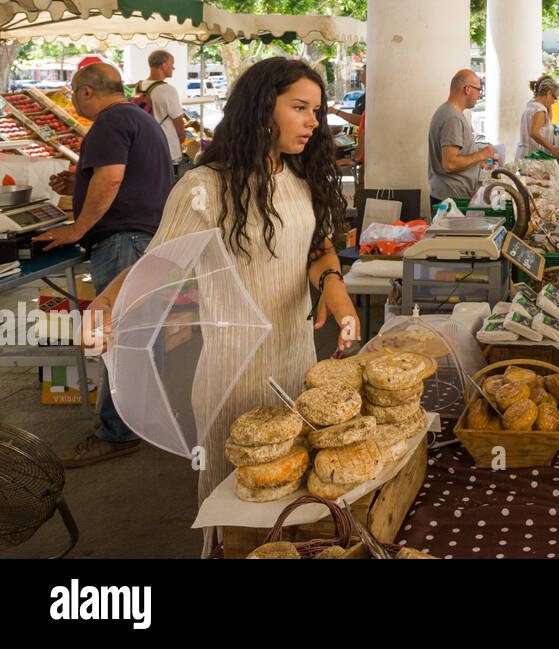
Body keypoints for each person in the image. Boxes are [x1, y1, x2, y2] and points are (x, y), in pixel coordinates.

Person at [84, 57, 360, 553]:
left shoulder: (302, 179)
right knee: (238, 517)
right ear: (259, 109)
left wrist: (334, 286)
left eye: (316, 111)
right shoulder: (204, 188)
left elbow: (318, 249)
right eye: (299, 107)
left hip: (299, 367)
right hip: (233, 376)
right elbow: (160, 265)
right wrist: (107, 300)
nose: (313, 122)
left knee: (294, 507)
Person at [37, 61, 172, 467]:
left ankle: (117, 432)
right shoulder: (138, 118)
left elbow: (111, 179)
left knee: (117, 338)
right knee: (140, 337)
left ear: (86, 91)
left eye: (75, 93)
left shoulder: (109, 122)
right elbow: (112, 177)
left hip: (123, 241)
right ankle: (139, 420)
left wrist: (77, 228)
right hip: (144, 239)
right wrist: (77, 181)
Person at [428, 69, 495, 200]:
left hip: (450, 193)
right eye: (479, 90)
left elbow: (457, 157)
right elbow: (450, 164)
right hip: (451, 197)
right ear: (467, 89)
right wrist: (481, 155)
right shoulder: (452, 118)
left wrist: (476, 162)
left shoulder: (450, 112)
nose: (479, 95)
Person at [138, 49, 188, 178]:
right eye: (172, 64)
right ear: (163, 65)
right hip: (166, 148)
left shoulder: (137, 87)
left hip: (142, 146)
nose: (174, 67)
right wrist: (181, 140)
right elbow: (178, 122)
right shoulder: (168, 90)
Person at [517, 75, 559, 161]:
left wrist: (549, 104)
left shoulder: (532, 104)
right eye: (555, 98)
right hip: (532, 157)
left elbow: (548, 121)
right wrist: (552, 148)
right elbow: (534, 133)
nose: (554, 102)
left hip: (525, 154)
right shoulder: (539, 110)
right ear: (549, 93)